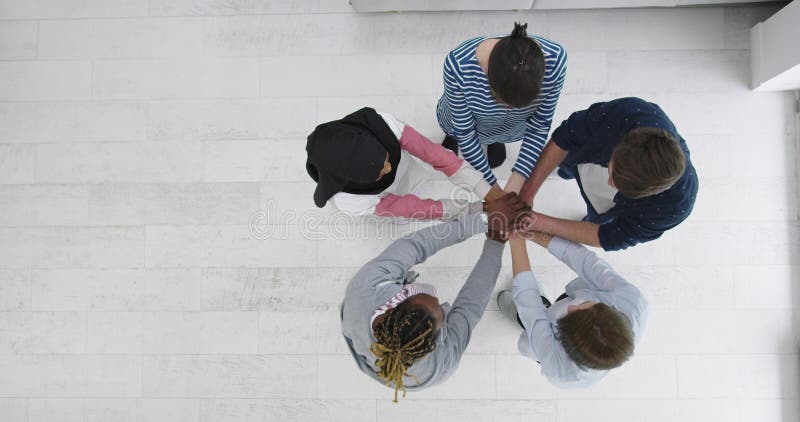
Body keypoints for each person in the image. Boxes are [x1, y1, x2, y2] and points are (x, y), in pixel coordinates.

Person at [341, 194, 527, 401]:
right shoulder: (441, 365)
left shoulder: (366, 286)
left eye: (431, 298)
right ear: (437, 342)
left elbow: (418, 244)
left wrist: (484, 219)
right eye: (442, 312)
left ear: (399, 298)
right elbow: (469, 307)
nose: (440, 300)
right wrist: (496, 242)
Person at [519, 97, 699, 251]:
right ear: (622, 142)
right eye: (613, 171)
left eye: (619, 185)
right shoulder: (630, 113)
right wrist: (528, 191)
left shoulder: (672, 209)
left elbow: (610, 236)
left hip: (610, 206)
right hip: (583, 156)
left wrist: (539, 222)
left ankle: (589, 215)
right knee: (566, 165)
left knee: (595, 220)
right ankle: (566, 170)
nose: (610, 182)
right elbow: (567, 135)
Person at [496, 230, 649, 388]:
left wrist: (516, 243)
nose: (570, 307)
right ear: (610, 308)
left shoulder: (560, 371)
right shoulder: (633, 302)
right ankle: (544, 309)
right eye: (587, 304)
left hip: (547, 346)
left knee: (529, 335)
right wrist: (527, 232)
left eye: (569, 316)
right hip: (581, 296)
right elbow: (584, 260)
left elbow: (530, 308)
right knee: (547, 312)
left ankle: (525, 317)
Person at [307, 107, 507, 220]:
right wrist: (473, 208)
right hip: (381, 198)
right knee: (404, 215)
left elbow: (435, 154)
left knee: (416, 172)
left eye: (385, 159)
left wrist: (486, 190)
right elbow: (412, 207)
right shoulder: (349, 200)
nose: (389, 167)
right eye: (378, 173)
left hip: (409, 167)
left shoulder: (382, 126)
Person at [436, 22, 567, 194]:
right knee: (455, 131)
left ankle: (496, 140)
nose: (511, 109)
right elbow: (465, 132)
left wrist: (515, 184)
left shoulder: (556, 60)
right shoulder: (458, 65)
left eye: (522, 106)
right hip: (461, 121)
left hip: (511, 127)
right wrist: (493, 190)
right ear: (488, 75)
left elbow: (539, 126)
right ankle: (452, 137)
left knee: (497, 136)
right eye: (501, 100)